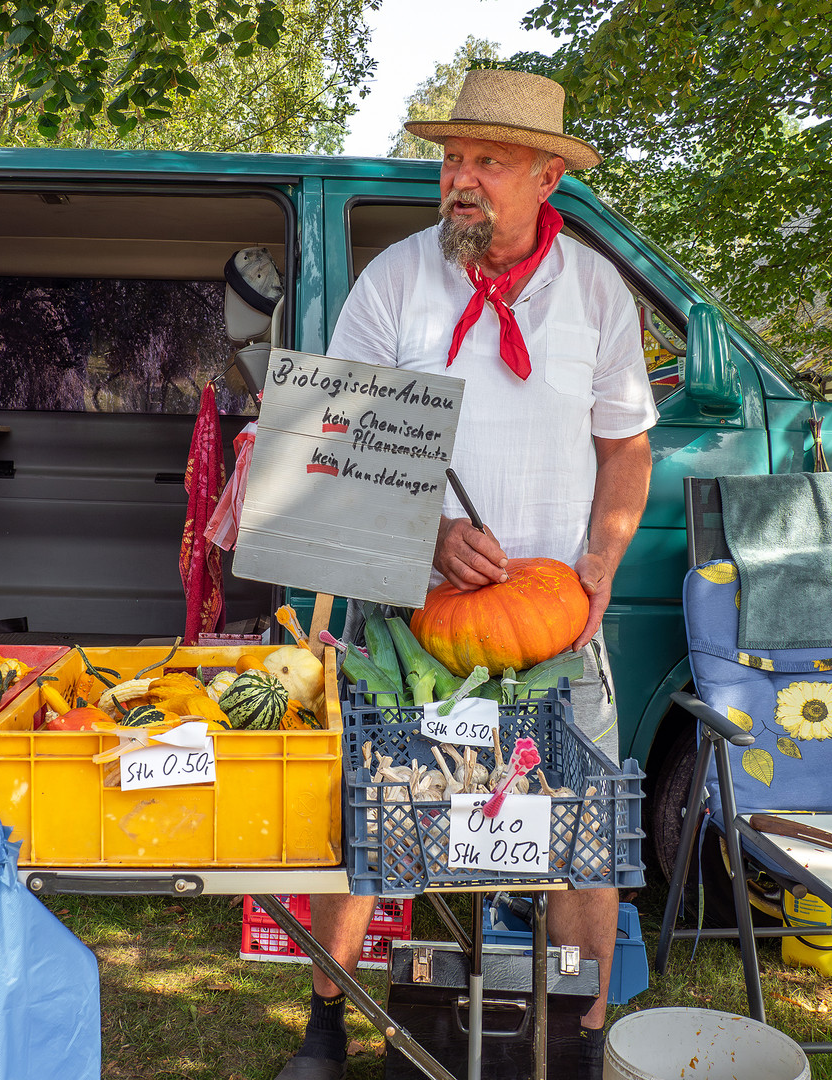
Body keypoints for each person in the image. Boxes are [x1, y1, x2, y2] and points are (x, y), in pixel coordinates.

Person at [275, 69, 657, 1080]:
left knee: (585, 835)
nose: (461, 179)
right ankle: (326, 1019)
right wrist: (429, 529)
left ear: (546, 179)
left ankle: (575, 1033)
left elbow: (627, 447)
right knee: (371, 824)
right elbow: (332, 443)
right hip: (410, 618)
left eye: (487, 161)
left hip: (557, 621)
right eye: (452, 159)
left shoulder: (599, 294)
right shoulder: (397, 280)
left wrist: (602, 562)